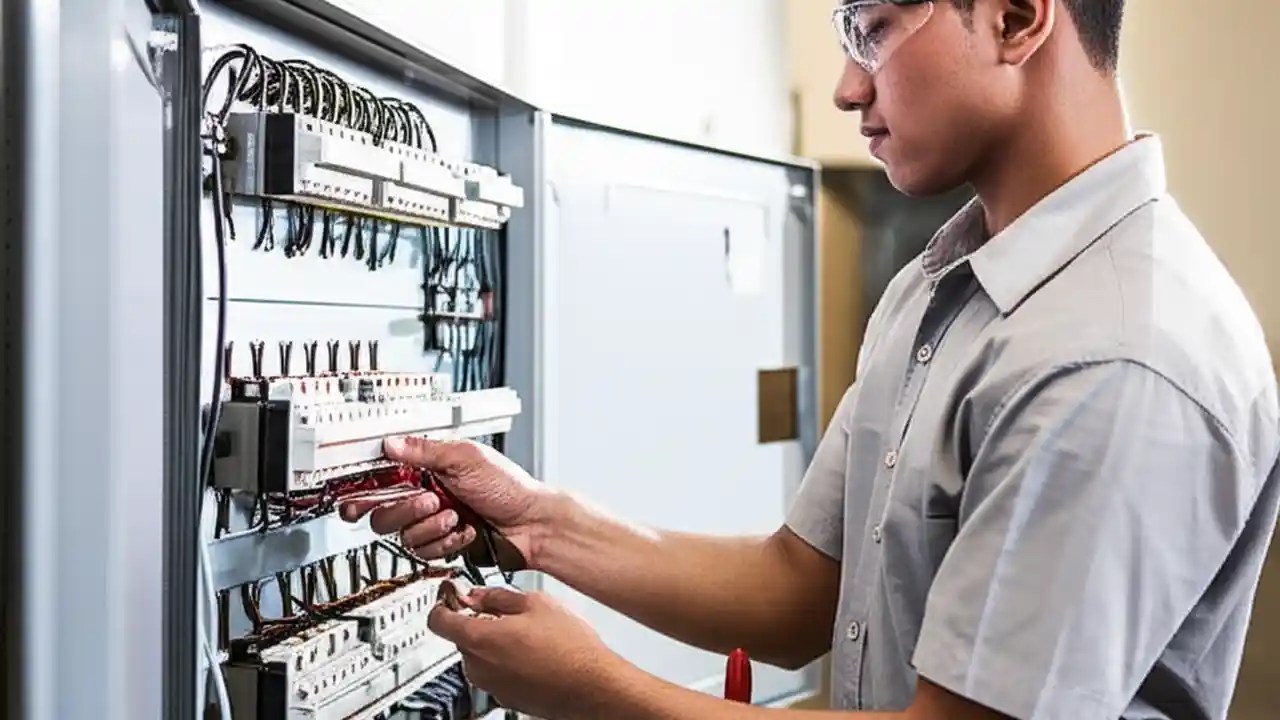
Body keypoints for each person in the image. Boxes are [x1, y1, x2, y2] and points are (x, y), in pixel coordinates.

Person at [343, 1, 1280, 718]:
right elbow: (799, 589)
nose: (846, 87)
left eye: (871, 27)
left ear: (1016, 17)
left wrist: (596, 691)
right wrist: (536, 524)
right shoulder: (942, 285)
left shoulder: (1115, 355)